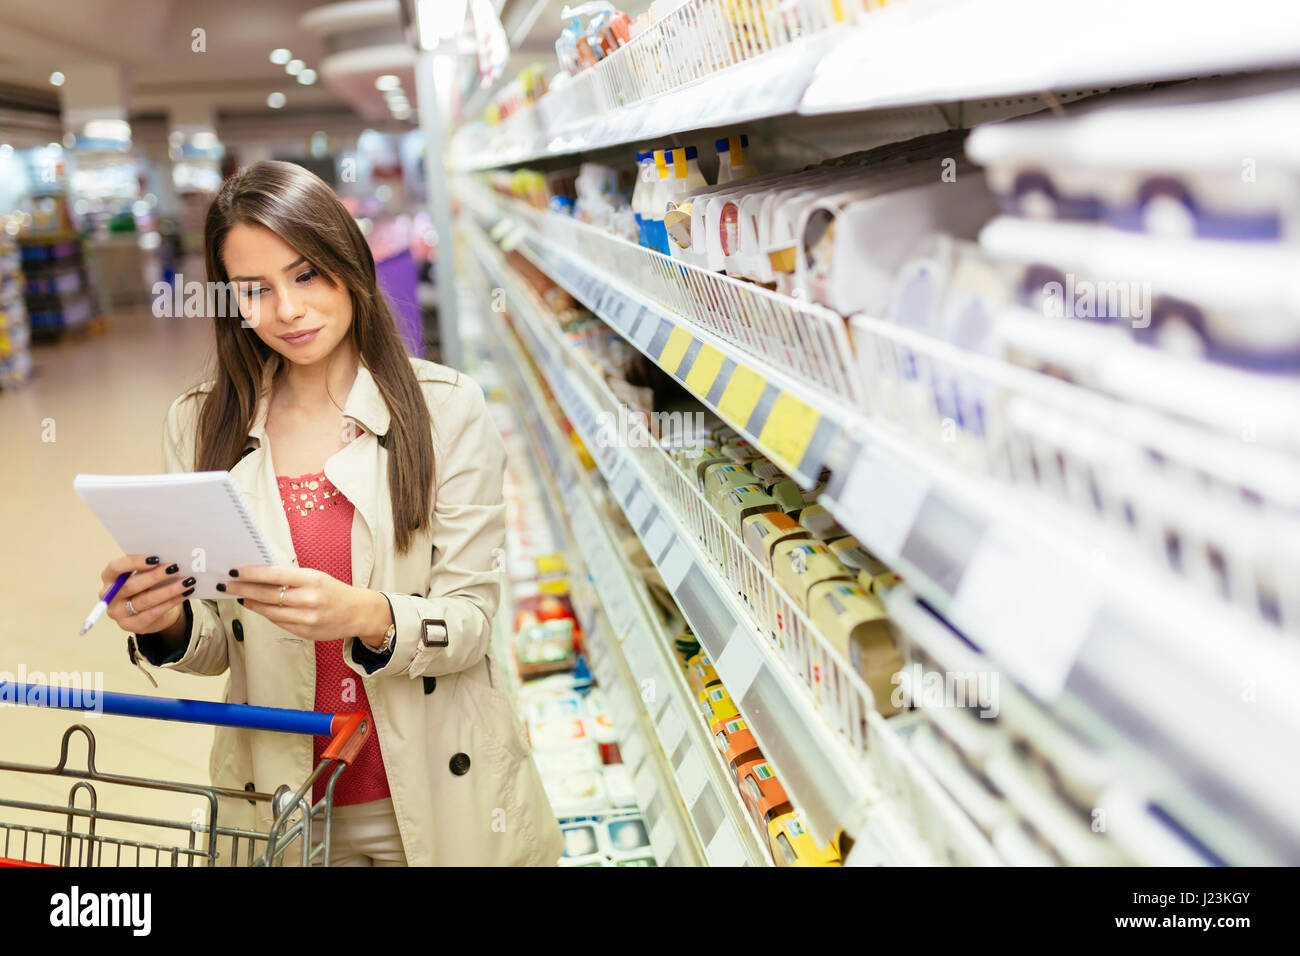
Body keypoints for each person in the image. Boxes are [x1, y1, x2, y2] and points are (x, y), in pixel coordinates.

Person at [95, 160, 563, 867]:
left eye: (307, 274)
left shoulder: (445, 409)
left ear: (349, 263)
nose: (287, 310)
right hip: (287, 806)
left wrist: (367, 616)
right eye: (255, 289)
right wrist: (166, 622)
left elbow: (471, 621)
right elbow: (226, 644)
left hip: (438, 797)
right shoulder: (199, 426)